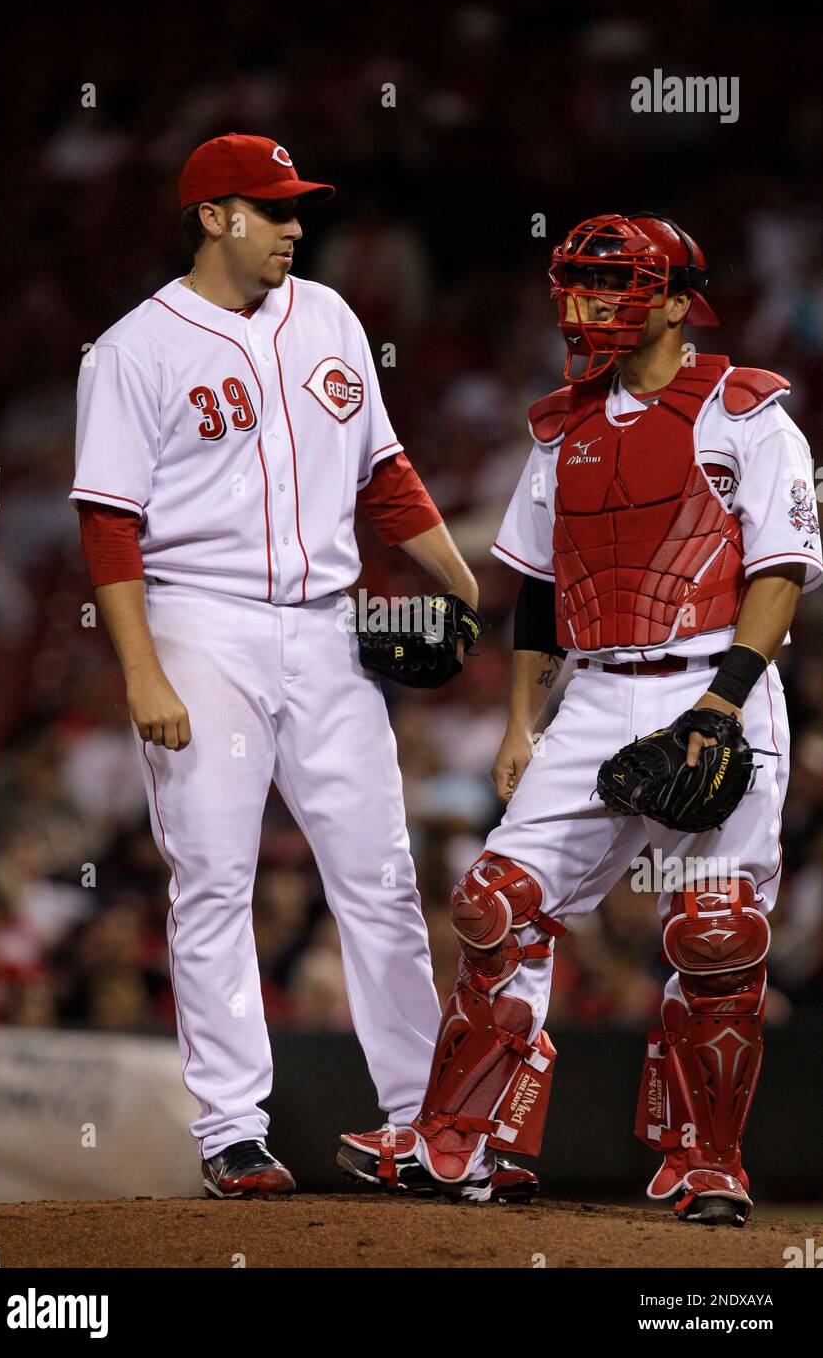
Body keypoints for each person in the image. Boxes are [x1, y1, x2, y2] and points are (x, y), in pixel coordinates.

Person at [339, 212, 822, 1224]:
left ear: (677, 301)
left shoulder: (748, 413)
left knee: (716, 929)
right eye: (574, 285)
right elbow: (537, 588)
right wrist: (521, 720)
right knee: (493, 903)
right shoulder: (559, 426)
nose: (582, 307)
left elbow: (778, 572)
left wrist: (720, 705)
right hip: (594, 691)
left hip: (713, 678)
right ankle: (465, 1143)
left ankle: (706, 1161)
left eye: (610, 286)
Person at [71, 132, 484, 1198]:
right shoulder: (134, 348)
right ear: (214, 217)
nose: (295, 226)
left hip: (326, 626)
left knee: (382, 877)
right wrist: (142, 673)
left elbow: (382, 472)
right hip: (197, 623)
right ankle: (231, 1131)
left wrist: (454, 577)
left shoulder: (332, 316)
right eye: (272, 208)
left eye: (298, 207)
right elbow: (110, 527)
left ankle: (422, 1120)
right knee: (213, 877)